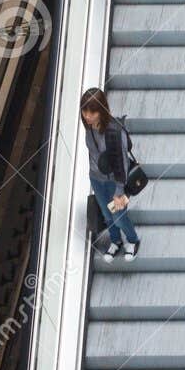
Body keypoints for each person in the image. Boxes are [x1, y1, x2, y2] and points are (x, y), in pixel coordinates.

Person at [80, 87, 141, 262]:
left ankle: (132, 240)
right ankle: (115, 241)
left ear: (102, 109)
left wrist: (119, 191)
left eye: (92, 111)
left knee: (118, 215)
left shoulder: (115, 131)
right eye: (85, 111)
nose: (88, 116)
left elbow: (121, 162)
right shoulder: (89, 128)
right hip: (96, 179)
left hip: (115, 182)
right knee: (107, 215)